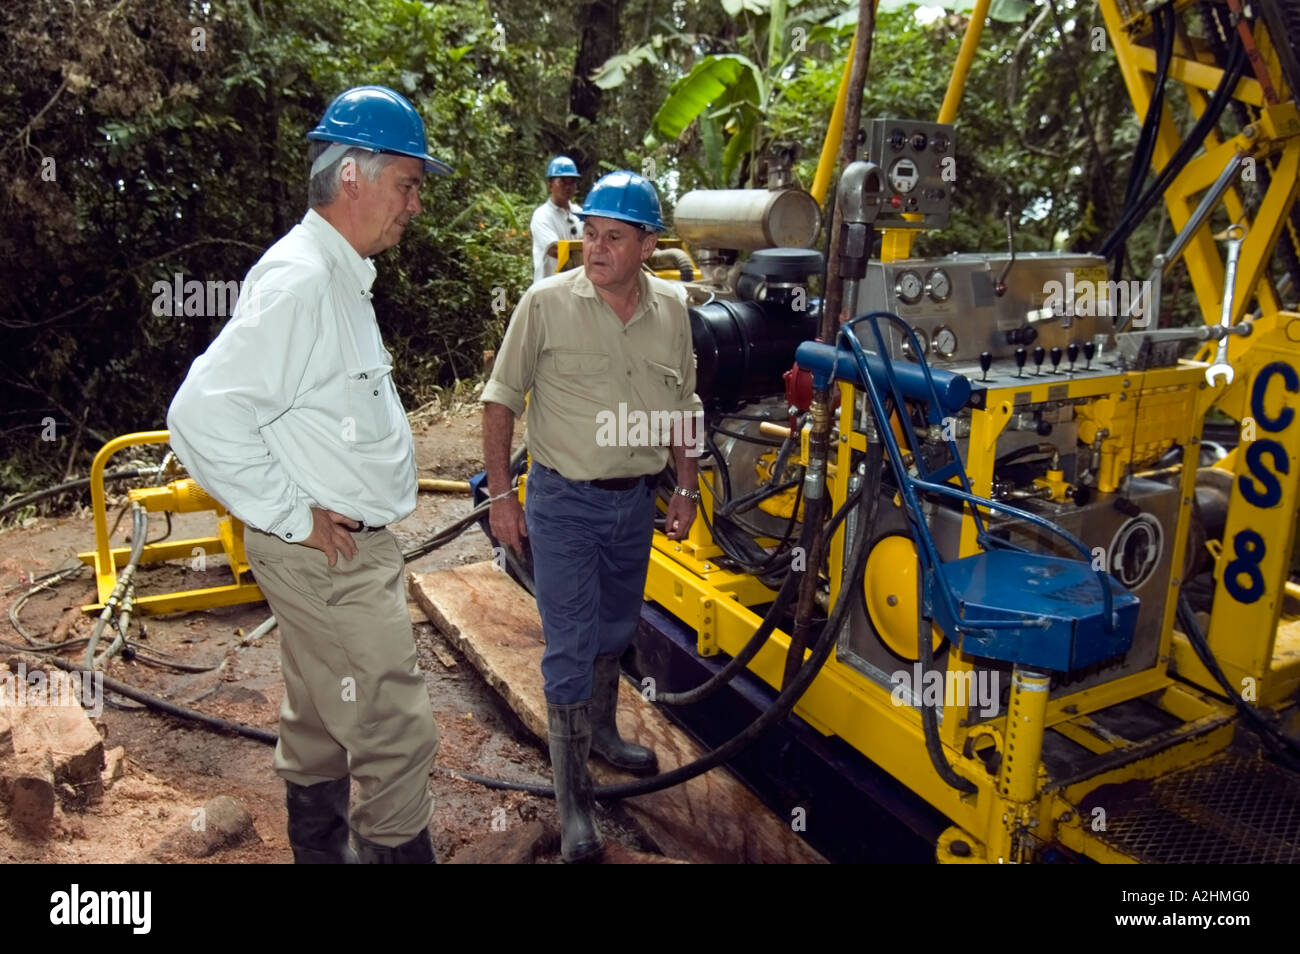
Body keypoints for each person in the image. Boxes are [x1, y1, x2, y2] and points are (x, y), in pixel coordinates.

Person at [166, 85, 452, 864]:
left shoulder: (338, 274)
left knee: (324, 715)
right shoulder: (305, 282)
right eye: (408, 183)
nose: (415, 206)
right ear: (353, 176)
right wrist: (295, 516)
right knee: (394, 731)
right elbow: (201, 414)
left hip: (325, 557)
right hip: (332, 558)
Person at [482, 170, 702, 862]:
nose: (596, 247)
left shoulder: (672, 309)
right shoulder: (547, 304)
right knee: (571, 648)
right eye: (589, 233)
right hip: (564, 502)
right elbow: (499, 400)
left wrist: (688, 489)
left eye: (613, 237)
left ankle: (602, 734)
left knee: (614, 629)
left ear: (647, 244)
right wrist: (500, 497)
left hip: (634, 503)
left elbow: (686, 408)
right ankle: (574, 802)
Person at [529, 155, 583, 283]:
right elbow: (555, 250)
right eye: (562, 181)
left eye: (572, 182)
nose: (568, 186)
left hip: (575, 285)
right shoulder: (542, 215)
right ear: (550, 185)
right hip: (549, 286)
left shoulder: (579, 213)